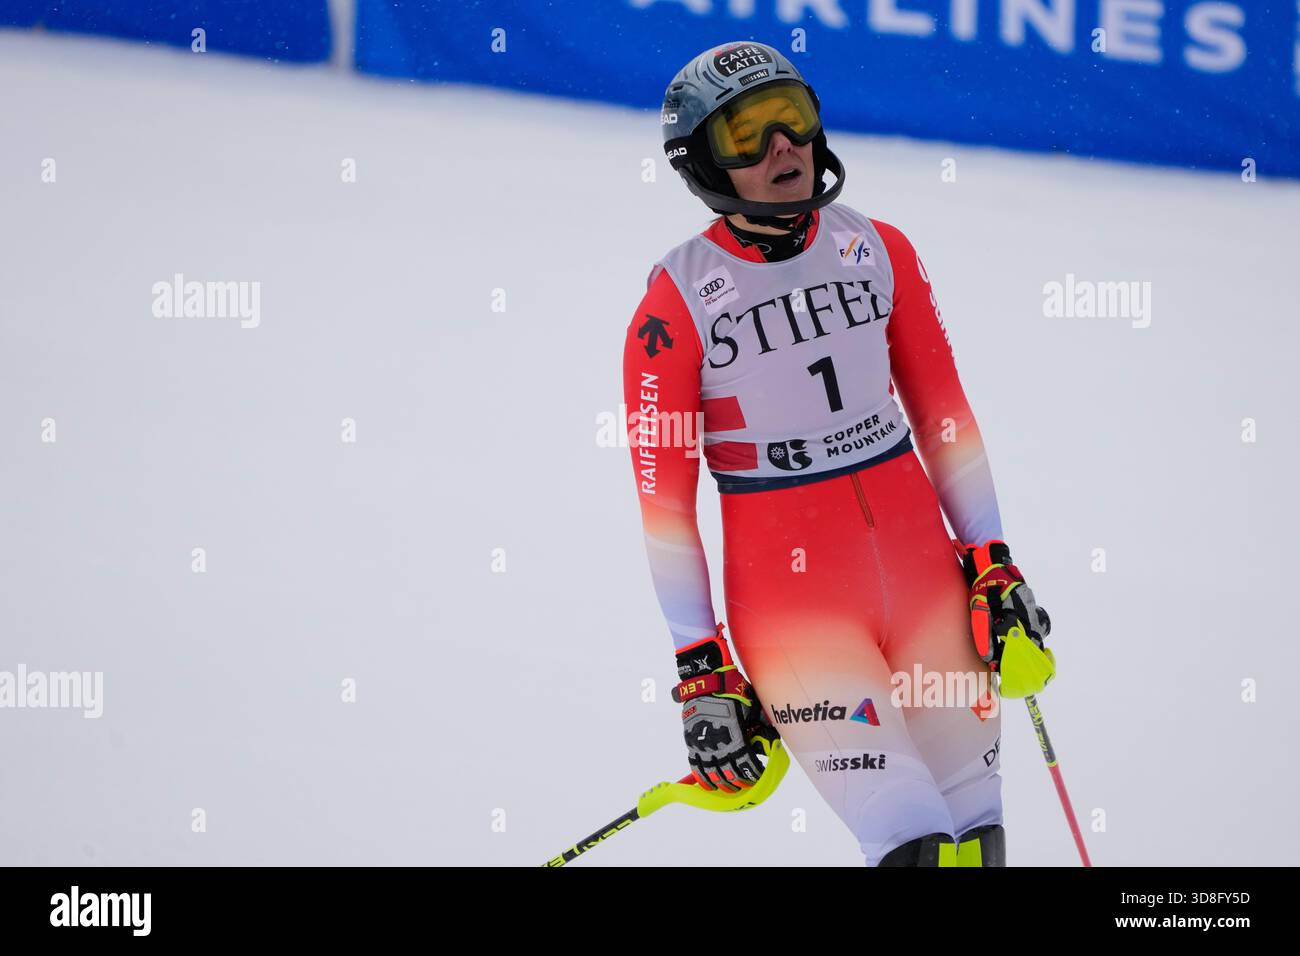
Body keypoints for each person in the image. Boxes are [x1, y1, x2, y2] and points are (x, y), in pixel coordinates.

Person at [622, 41, 1056, 867]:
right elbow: (665, 507)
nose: (783, 146)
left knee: (978, 851)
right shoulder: (672, 304)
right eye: (748, 132)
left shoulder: (881, 248)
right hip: (797, 616)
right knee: (914, 849)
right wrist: (700, 667)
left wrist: (994, 562)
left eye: (794, 117)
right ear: (701, 161)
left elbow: (945, 420)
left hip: (930, 592)